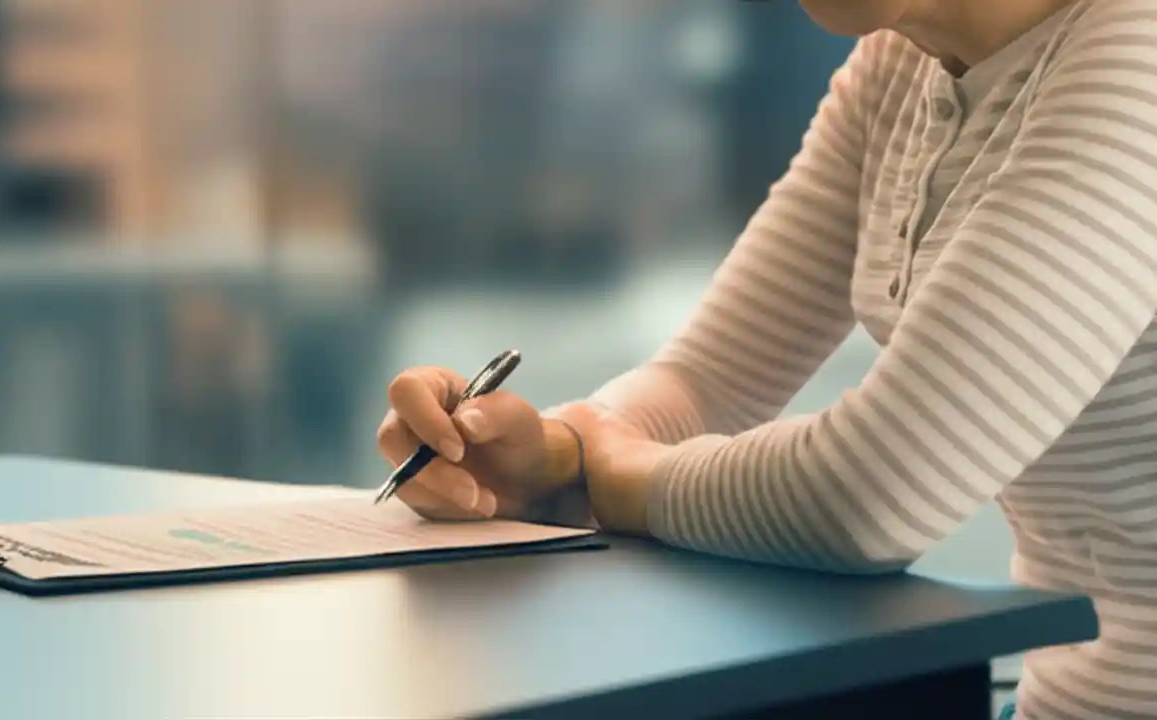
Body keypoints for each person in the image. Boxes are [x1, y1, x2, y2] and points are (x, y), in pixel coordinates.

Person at [375, 1, 1157, 717]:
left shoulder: (1138, 60)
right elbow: (709, 380)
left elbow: (876, 493)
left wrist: (608, 476)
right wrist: (555, 451)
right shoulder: (900, 61)